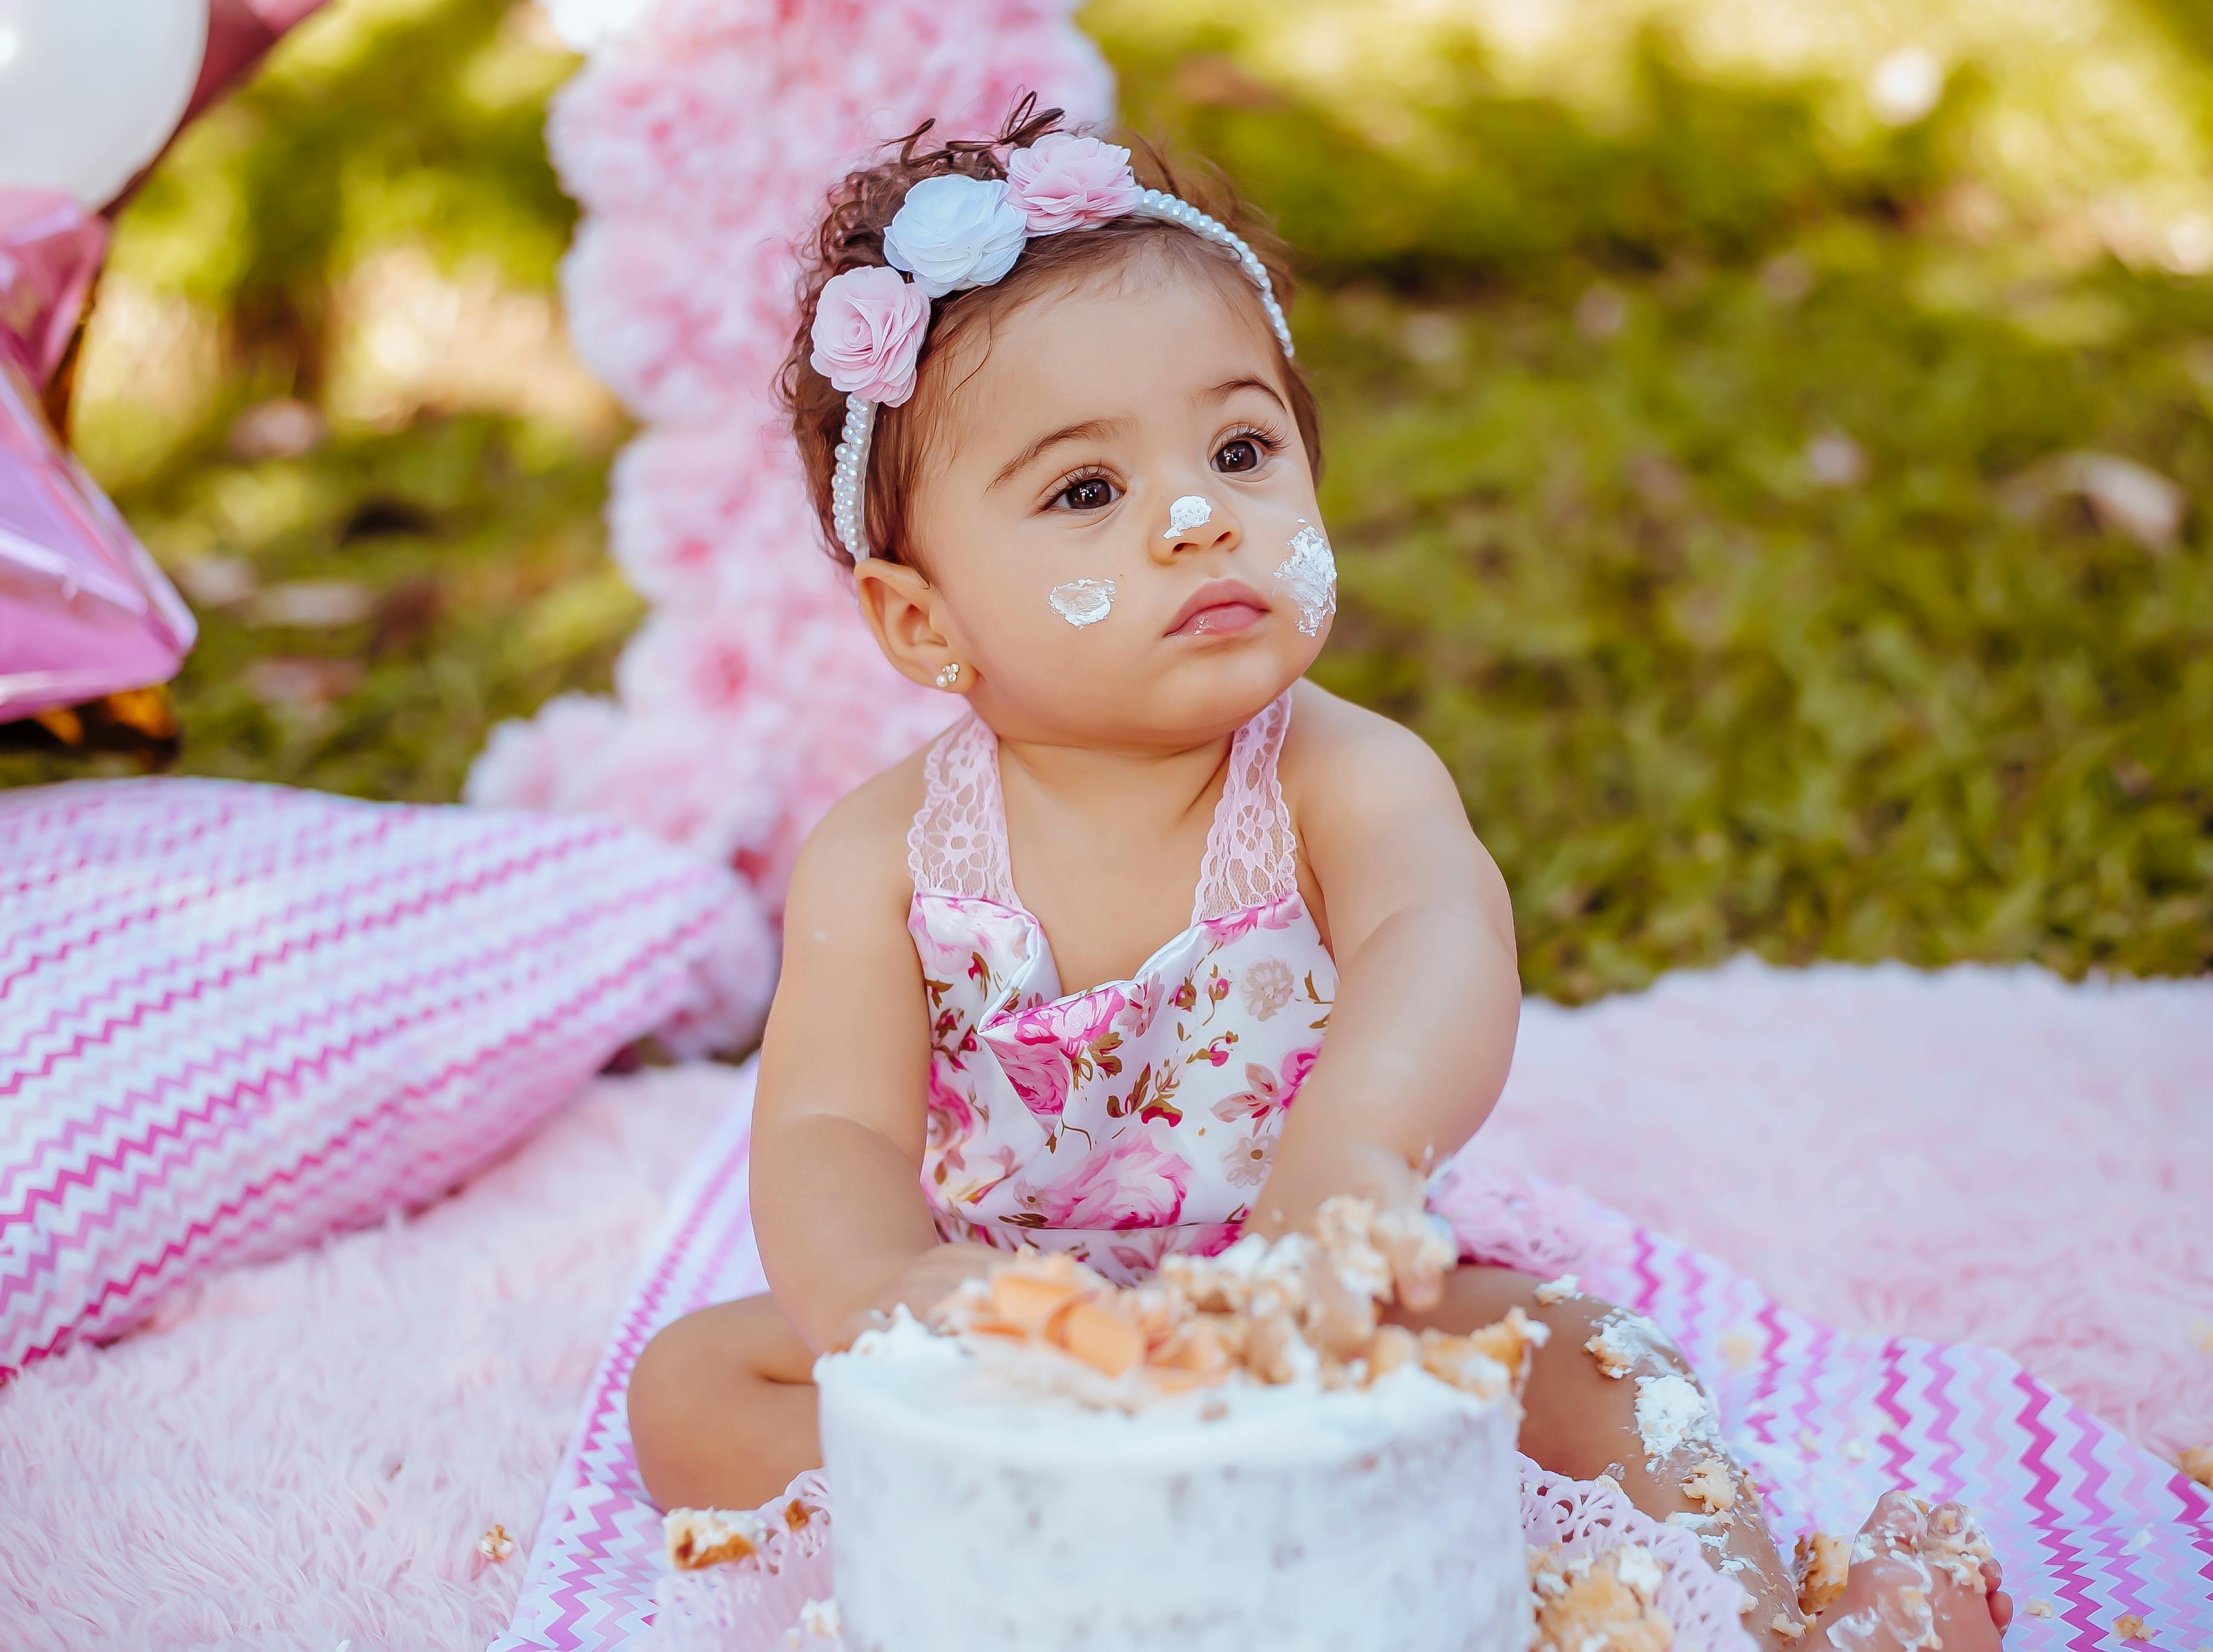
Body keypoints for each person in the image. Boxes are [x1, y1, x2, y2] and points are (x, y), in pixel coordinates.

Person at [626, 98, 2010, 1651]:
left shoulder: (1344, 779)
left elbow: (1442, 943)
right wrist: (904, 1306)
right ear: (922, 624)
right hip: (1035, 1350)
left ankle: (1743, 1619)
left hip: (1326, 1300)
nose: (1200, 515)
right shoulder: (887, 858)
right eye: (1090, 492)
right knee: (691, 1390)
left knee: (1603, 1364)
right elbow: (826, 1129)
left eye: (1240, 448)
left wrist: (1347, 1164)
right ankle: (1099, 1547)